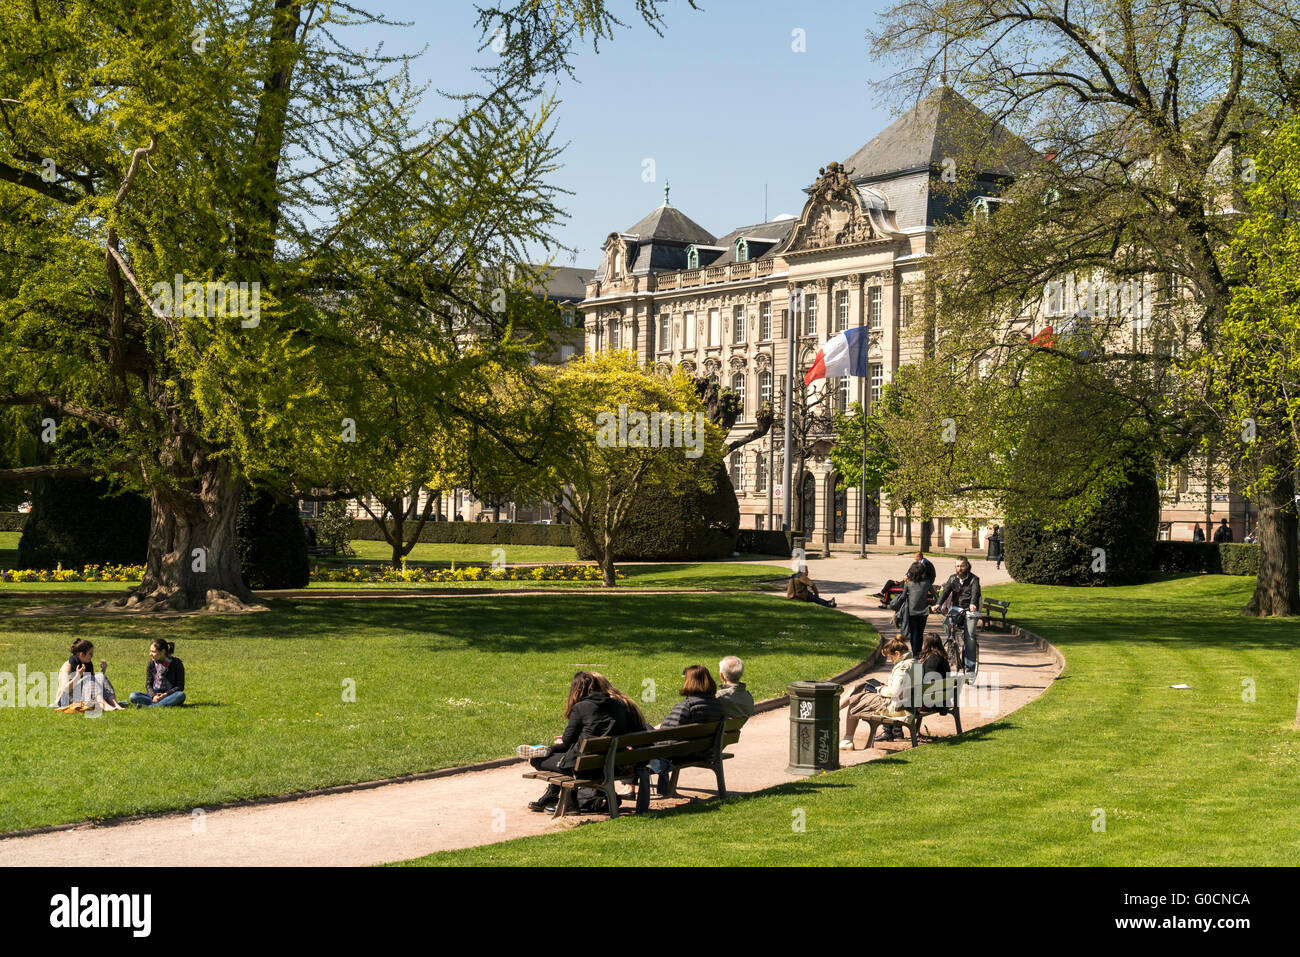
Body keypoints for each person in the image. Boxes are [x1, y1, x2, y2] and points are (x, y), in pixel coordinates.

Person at [527, 671, 645, 813]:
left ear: (576, 690)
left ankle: (569, 803)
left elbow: (566, 741)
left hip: (585, 769)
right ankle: (552, 796)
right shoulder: (618, 705)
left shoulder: (581, 708)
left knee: (537, 759)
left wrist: (549, 749)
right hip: (613, 765)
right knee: (564, 756)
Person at [651, 664, 726, 796]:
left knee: (641, 729)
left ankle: (630, 786)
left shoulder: (686, 706)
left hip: (681, 753)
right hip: (703, 751)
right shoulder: (718, 705)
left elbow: (666, 735)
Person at [840, 637, 914, 748]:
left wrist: (880, 689)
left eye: (890, 657)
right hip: (909, 704)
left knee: (855, 698)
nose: (891, 660)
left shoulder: (902, 667)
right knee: (861, 686)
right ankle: (837, 712)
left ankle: (847, 739)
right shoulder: (914, 662)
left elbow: (895, 691)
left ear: (897, 653)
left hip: (895, 707)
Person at [55, 639, 124, 711]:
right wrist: (77, 676)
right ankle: (104, 705)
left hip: (81, 695)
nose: (92, 656)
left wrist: (103, 671)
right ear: (82, 654)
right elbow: (65, 689)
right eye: (90, 654)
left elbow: (94, 683)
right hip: (65, 699)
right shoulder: (68, 666)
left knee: (100, 676)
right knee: (88, 677)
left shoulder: (87, 664)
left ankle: (115, 704)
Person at [933, 557, 982, 655]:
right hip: (956, 608)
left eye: (962, 566)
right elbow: (945, 592)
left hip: (970, 610)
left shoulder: (974, 579)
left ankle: (970, 667)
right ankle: (952, 647)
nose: (960, 568)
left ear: (967, 566)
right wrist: (938, 604)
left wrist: (972, 604)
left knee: (970, 638)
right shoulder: (952, 578)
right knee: (947, 624)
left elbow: (975, 593)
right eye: (958, 566)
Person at [128, 639, 186, 708]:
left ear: (162, 652)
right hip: (154, 695)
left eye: (153, 651)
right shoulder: (151, 663)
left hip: (169, 695)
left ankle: (151, 706)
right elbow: (148, 684)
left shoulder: (176, 663)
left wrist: (165, 695)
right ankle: (162, 704)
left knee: (181, 695)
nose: (150, 654)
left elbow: (180, 686)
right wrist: (154, 696)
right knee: (133, 696)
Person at [902, 561, 932, 659]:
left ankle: (915, 654)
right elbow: (936, 595)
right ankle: (919, 652)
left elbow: (902, 597)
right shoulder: (927, 583)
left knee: (914, 633)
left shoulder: (908, 584)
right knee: (920, 633)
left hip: (911, 612)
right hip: (924, 612)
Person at [917, 633, 950, 709]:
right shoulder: (942, 657)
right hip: (943, 698)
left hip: (934, 701)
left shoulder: (933, 659)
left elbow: (929, 681)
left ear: (927, 644)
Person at [716, 656, 755, 720]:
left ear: (722, 676)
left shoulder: (719, 697)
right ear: (741, 674)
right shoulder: (749, 697)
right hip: (736, 728)